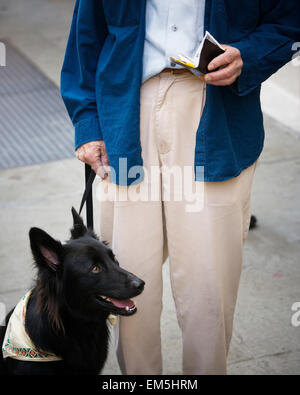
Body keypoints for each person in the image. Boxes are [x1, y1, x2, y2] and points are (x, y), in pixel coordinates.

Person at [60, 0, 300, 375]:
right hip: (126, 111)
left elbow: (289, 18)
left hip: (214, 111)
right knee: (125, 280)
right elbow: (86, 34)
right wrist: (87, 122)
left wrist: (248, 56)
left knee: (208, 286)